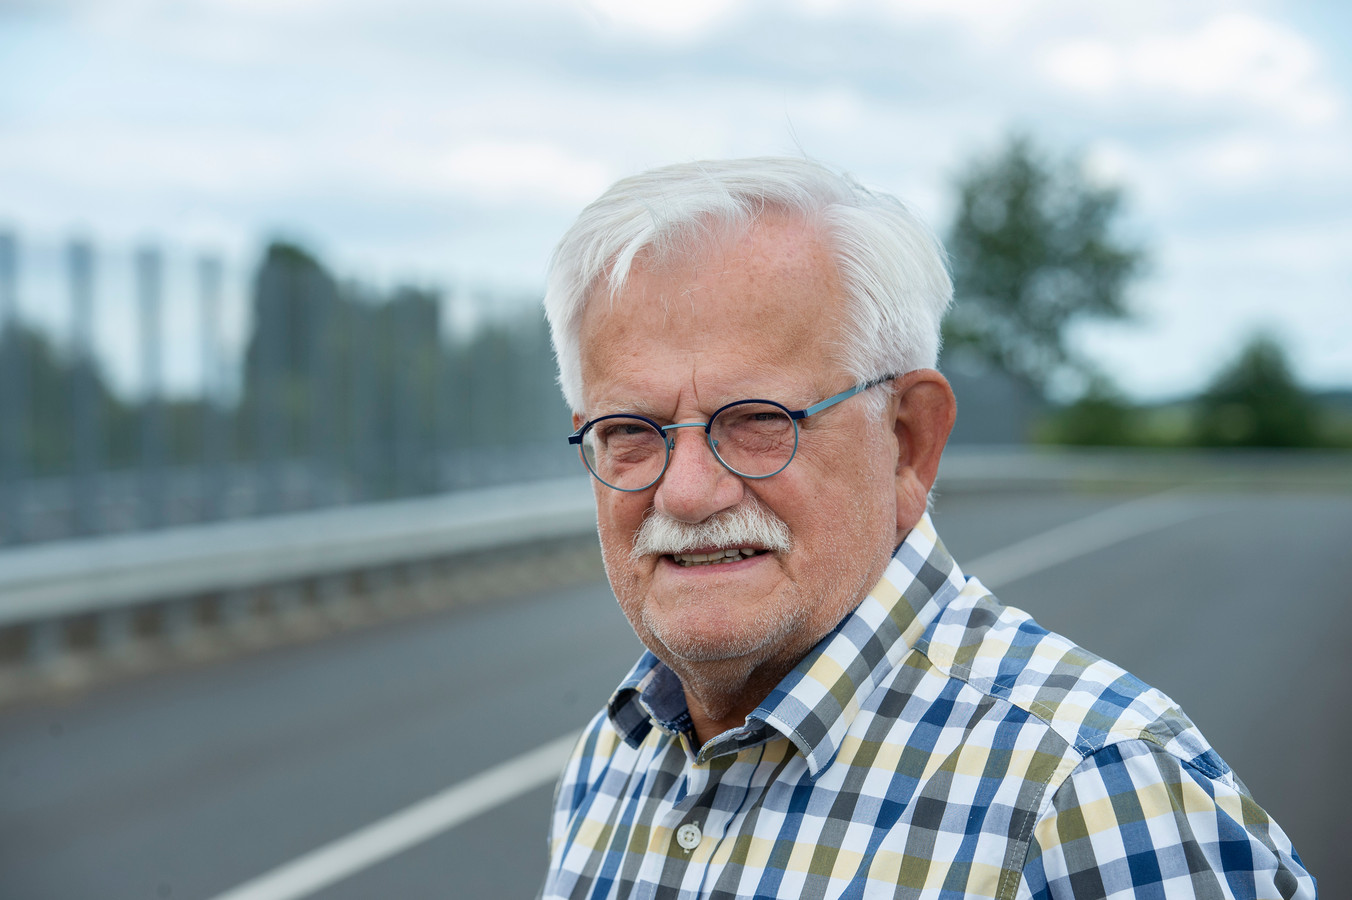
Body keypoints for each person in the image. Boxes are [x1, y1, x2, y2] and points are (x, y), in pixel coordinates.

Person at [538, 157, 1313, 899]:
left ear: (909, 440)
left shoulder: (1093, 795)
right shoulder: (619, 757)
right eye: (631, 430)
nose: (687, 493)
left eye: (757, 422)